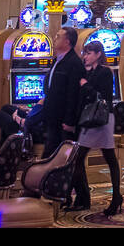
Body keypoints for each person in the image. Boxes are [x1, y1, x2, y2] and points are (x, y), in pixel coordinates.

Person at [69, 40, 123, 216]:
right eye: (85, 53)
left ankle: (116, 197)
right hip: (88, 120)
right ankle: (82, 197)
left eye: (89, 53)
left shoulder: (105, 72)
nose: (86, 56)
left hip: (103, 118)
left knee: (109, 157)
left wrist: (85, 85)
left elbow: (104, 96)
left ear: (99, 54)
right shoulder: (85, 72)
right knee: (78, 158)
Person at [40, 26, 85, 157]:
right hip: (52, 116)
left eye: (58, 36)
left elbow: (74, 94)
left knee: (61, 156)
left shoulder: (74, 63)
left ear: (67, 42)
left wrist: (69, 121)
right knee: (53, 154)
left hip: (63, 120)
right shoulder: (57, 60)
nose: (54, 38)